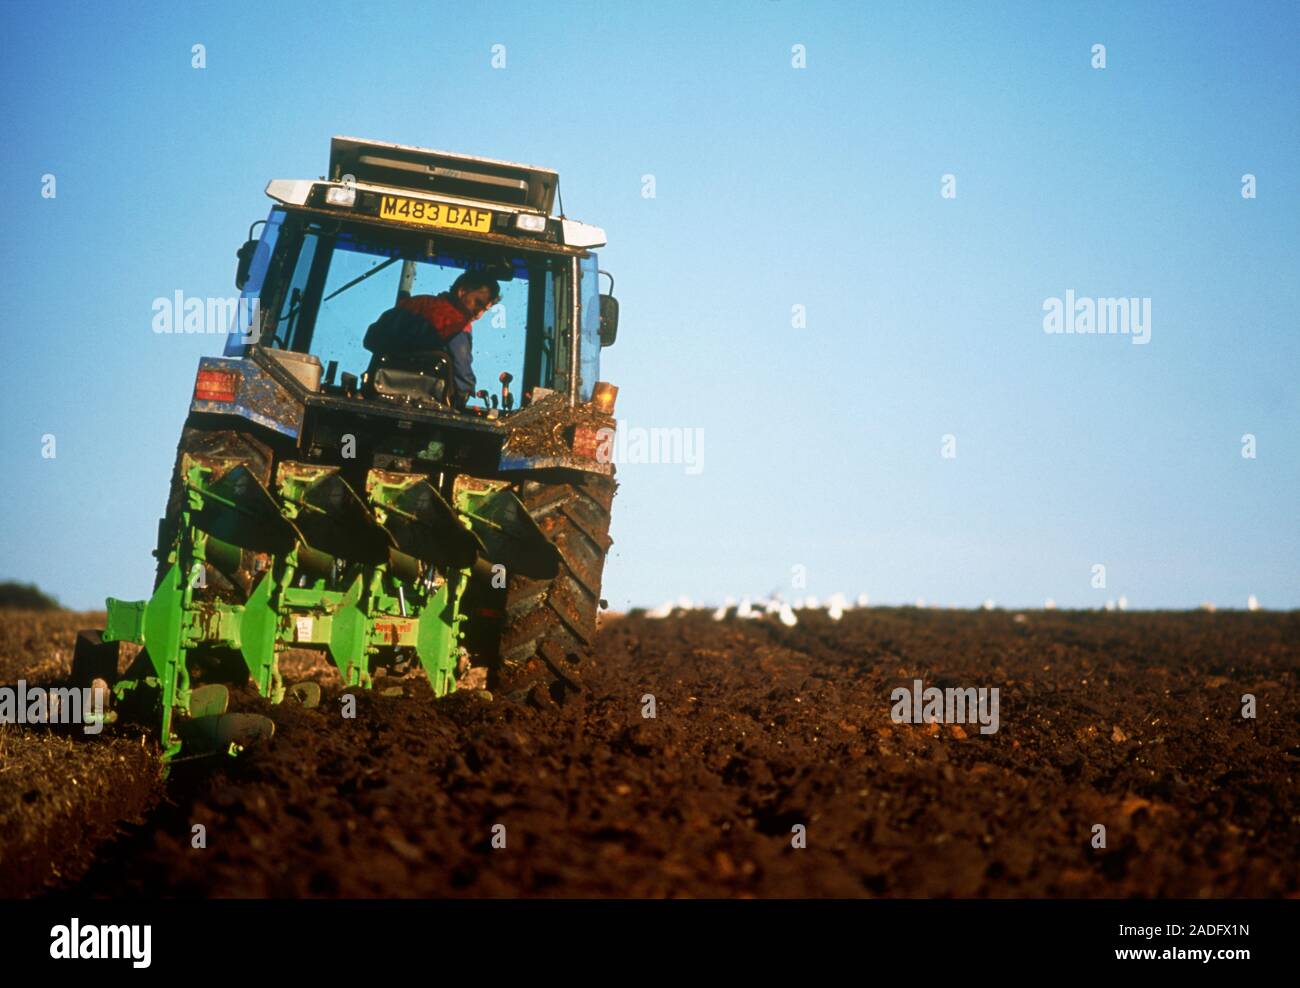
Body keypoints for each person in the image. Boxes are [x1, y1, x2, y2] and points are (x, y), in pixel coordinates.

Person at [363, 271, 500, 408]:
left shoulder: (413, 303)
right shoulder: (458, 325)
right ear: (462, 291)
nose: (479, 314)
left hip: (376, 394)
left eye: (484, 310)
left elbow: (370, 339)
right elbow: (462, 378)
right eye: (478, 303)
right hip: (430, 407)